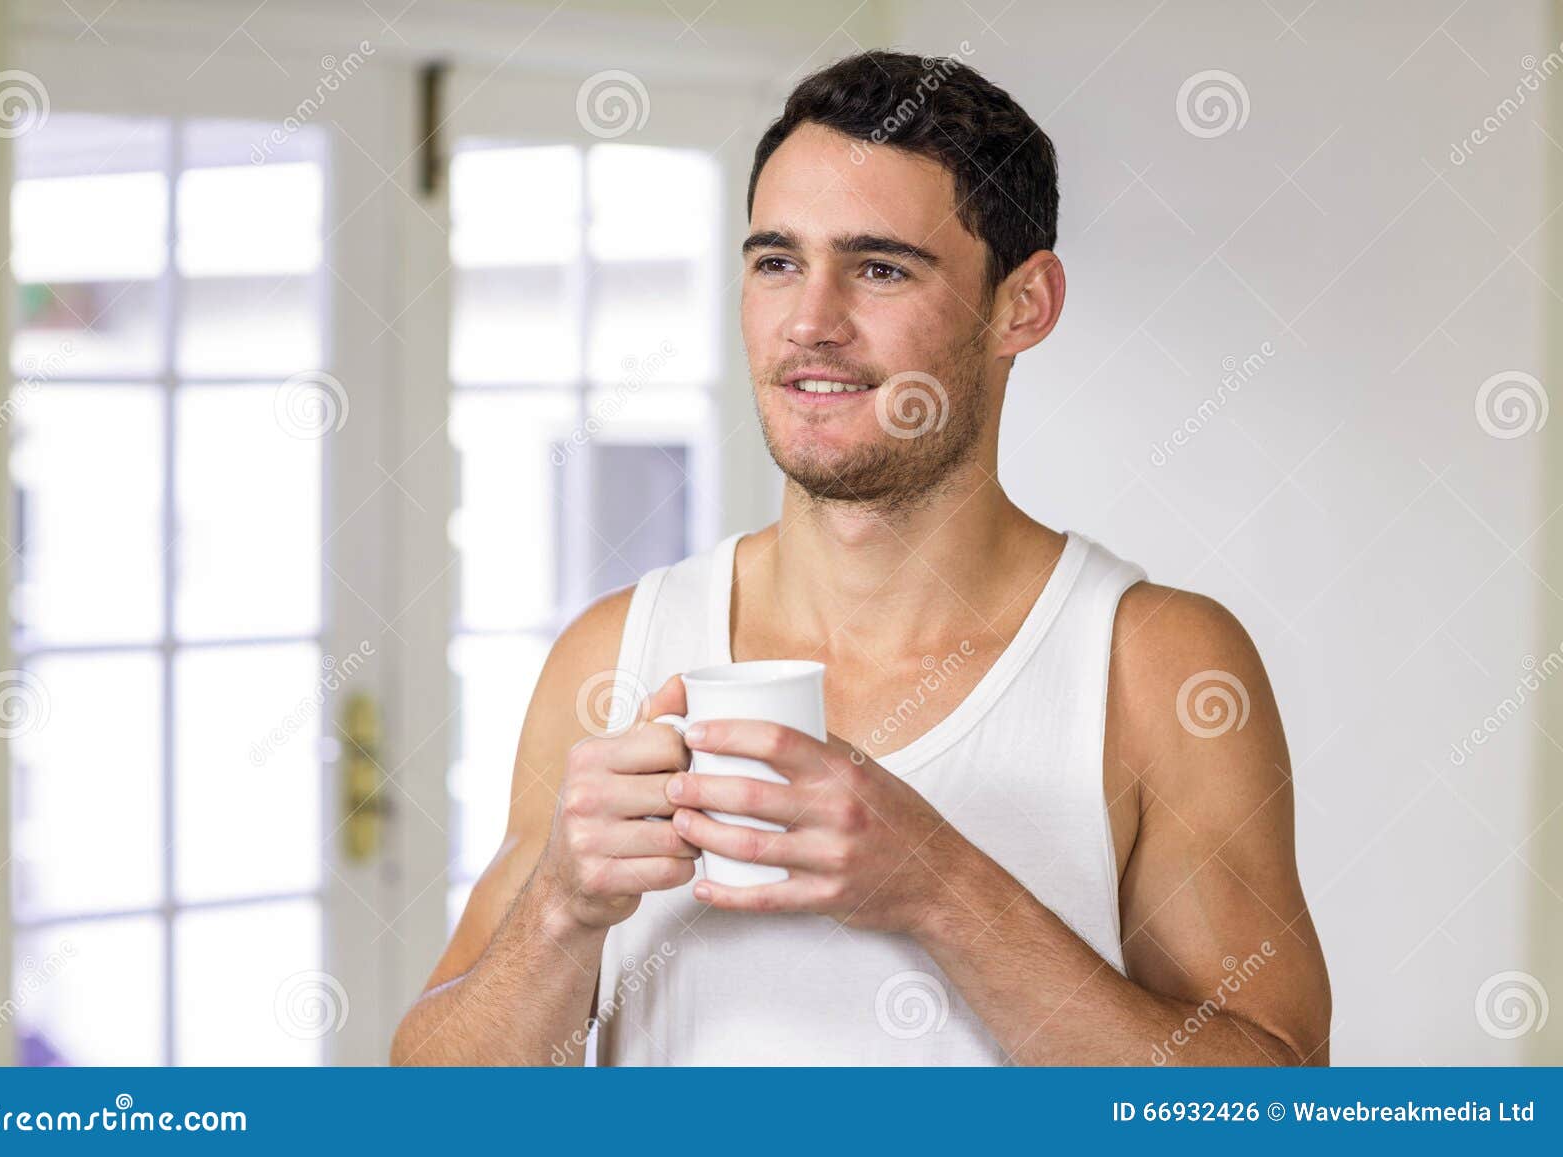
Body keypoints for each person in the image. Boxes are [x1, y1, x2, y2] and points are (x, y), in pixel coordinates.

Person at [391, 49, 1331, 1066]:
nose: (809, 322)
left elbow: (1270, 1107)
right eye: (776, 262)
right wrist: (561, 910)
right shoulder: (613, 656)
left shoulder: (1155, 664)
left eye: (880, 268)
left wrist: (938, 886)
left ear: (1023, 305)